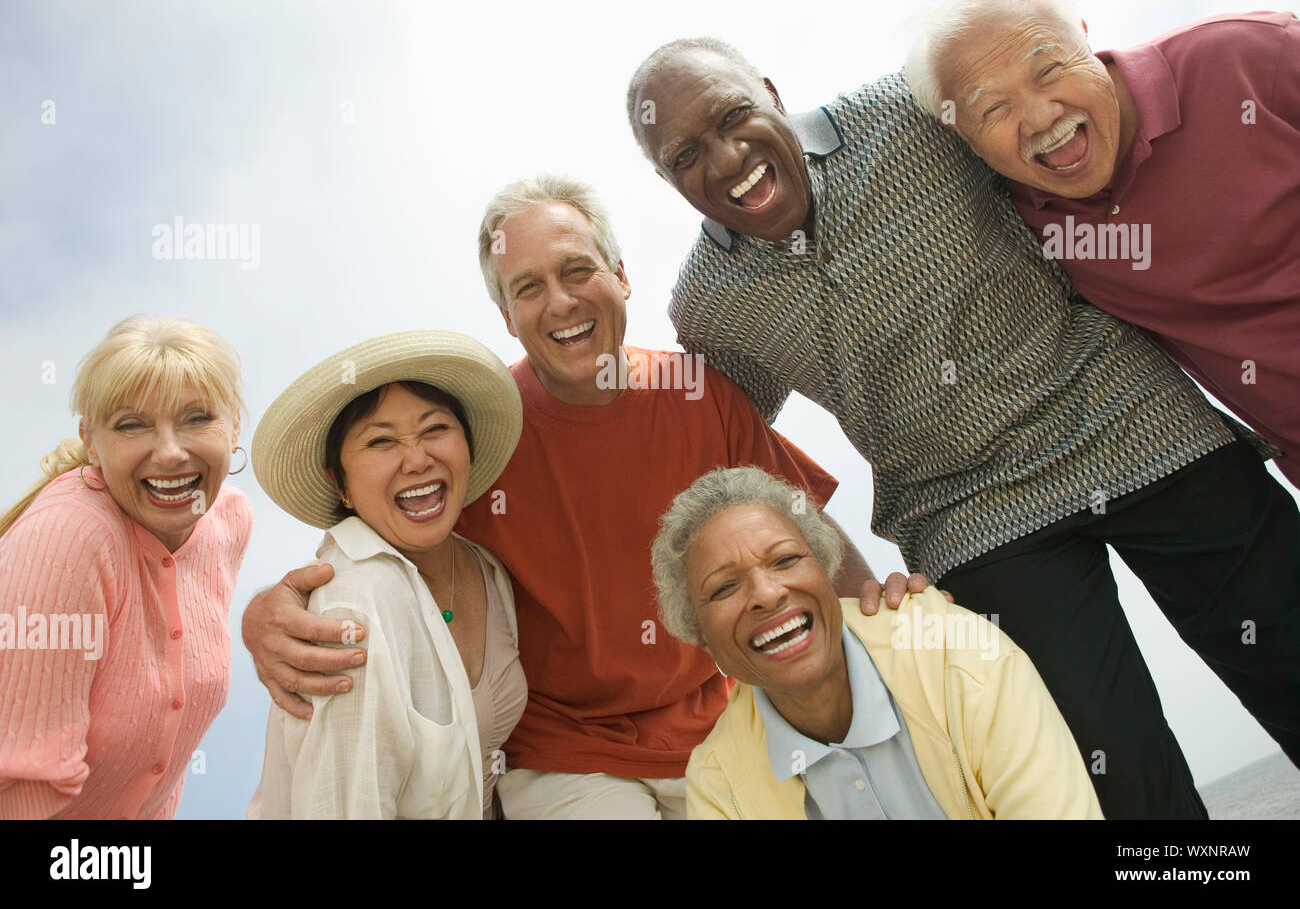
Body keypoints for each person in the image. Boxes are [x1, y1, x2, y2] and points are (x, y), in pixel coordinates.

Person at [626, 37, 1299, 818]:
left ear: (772, 93)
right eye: (685, 156)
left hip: (1129, 418)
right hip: (972, 520)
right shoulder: (709, 303)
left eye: (733, 115)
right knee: (1118, 778)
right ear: (666, 179)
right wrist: (844, 580)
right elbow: (725, 438)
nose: (725, 157)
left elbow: (1071, 145)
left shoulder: (909, 114)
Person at [241, 174, 932, 820]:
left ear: (621, 276)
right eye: (528, 288)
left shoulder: (701, 395)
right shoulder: (483, 436)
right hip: (562, 754)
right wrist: (267, 610)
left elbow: (803, 527)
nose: (561, 302)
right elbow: (382, 539)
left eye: (577, 271)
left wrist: (886, 618)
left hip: (721, 725)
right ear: (508, 316)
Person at [904, 0, 1300, 489]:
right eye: (994, 108)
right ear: (962, 135)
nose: (1041, 117)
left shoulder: (1248, 55)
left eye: (1048, 70)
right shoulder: (1025, 226)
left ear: (1084, 36)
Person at [652, 466, 1103, 820]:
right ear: (703, 640)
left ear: (827, 572)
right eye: (725, 588)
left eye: (785, 559)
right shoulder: (719, 784)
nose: (767, 594)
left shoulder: (959, 656)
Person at [245, 330, 526, 819]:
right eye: (380, 441)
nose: (416, 459)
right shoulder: (353, 601)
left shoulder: (487, 568)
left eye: (435, 429)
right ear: (340, 484)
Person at [0, 315, 252, 819]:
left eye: (197, 418)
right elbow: (20, 786)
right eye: (131, 425)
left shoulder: (227, 519)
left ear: (233, 428)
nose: (171, 452)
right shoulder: (70, 539)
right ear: (91, 442)